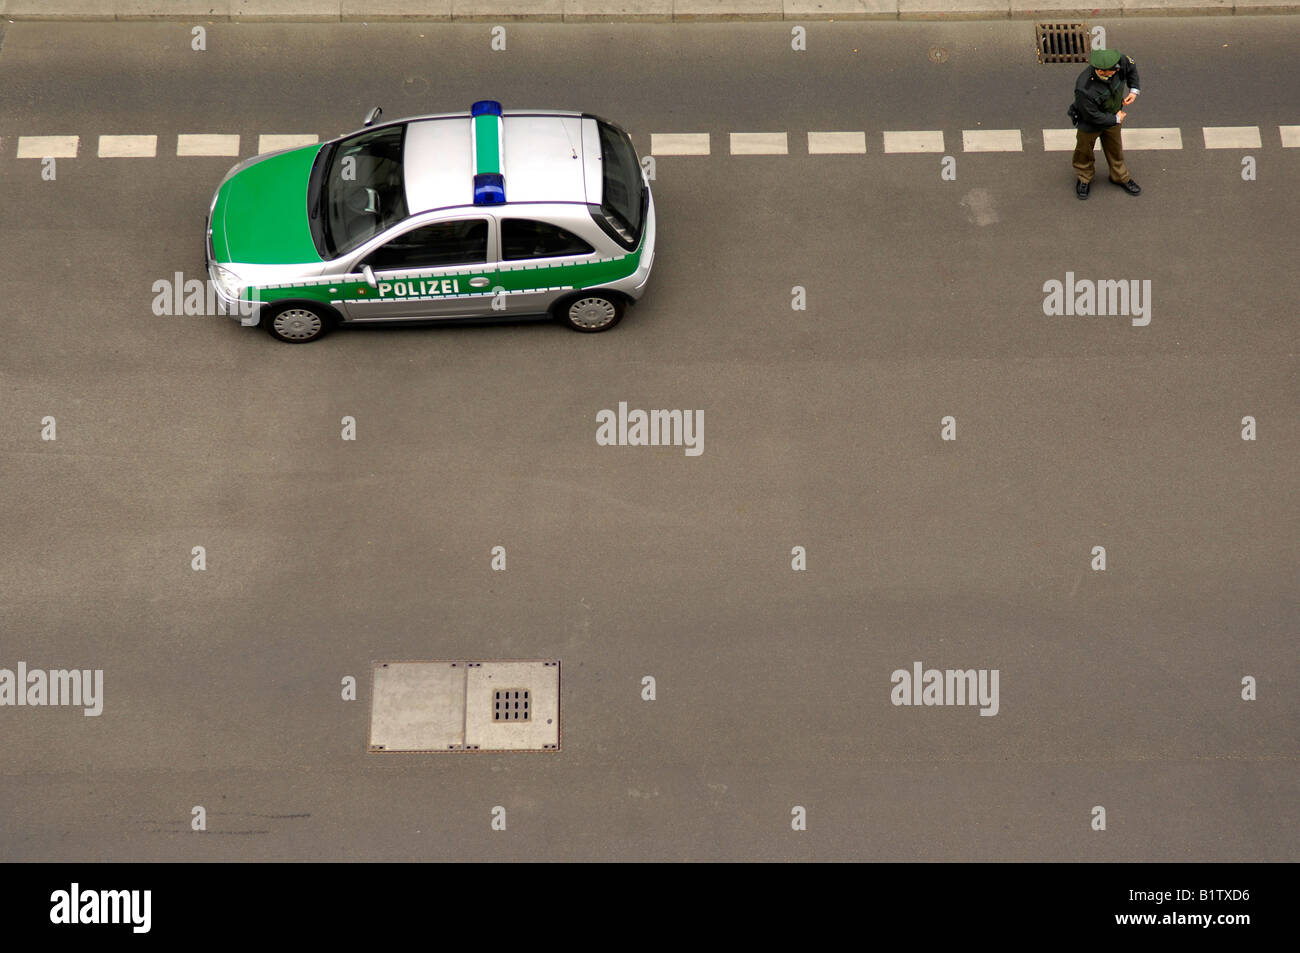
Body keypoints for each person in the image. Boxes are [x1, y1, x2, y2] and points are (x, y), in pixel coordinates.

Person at [1072, 49, 1141, 200]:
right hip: (1090, 123)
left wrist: (1134, 90)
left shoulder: (1117, 62)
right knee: (1084, 151)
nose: (1118, 70)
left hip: (1113, 115)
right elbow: (1091, 115)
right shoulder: (1084, 88)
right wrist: (1115, 119)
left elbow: (1130, 66)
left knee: (1115, 149)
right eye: (1113, 70)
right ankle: (1084, 177)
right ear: (1101, 71)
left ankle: (1120, 176)